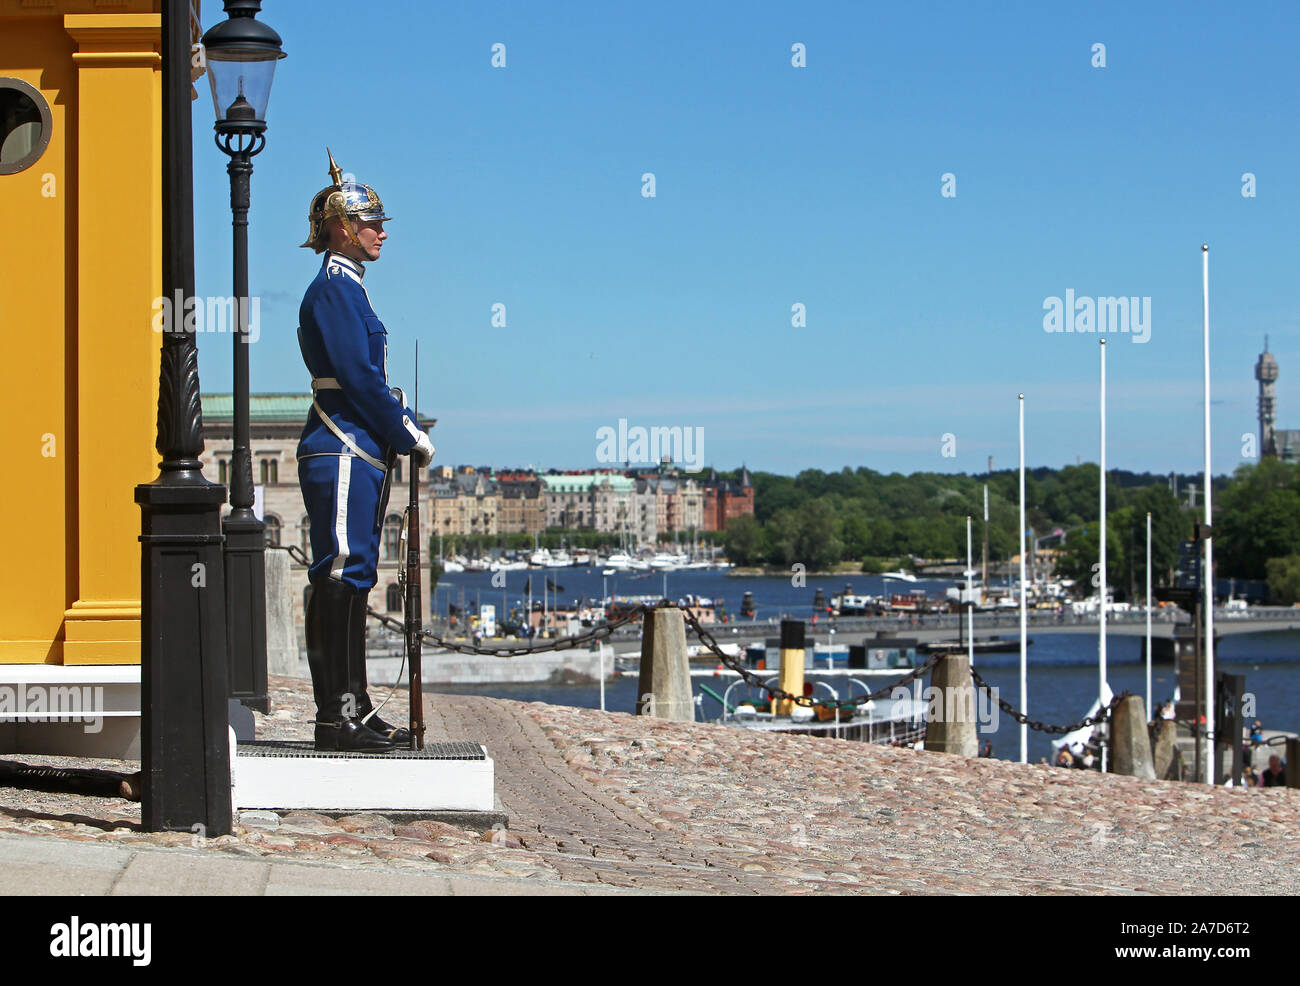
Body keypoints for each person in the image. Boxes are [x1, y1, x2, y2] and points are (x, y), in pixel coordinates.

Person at [297, 150, 435, 753]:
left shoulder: (349, 289)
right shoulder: (333, 289)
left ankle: (356, 708)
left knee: (354, 576)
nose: (381, 233)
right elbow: (356, 374)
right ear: (341, 228)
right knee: (338, 573)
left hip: (358, 444)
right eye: (371, 224)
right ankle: (337, 717)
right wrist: (405, 430)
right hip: (342, 439)